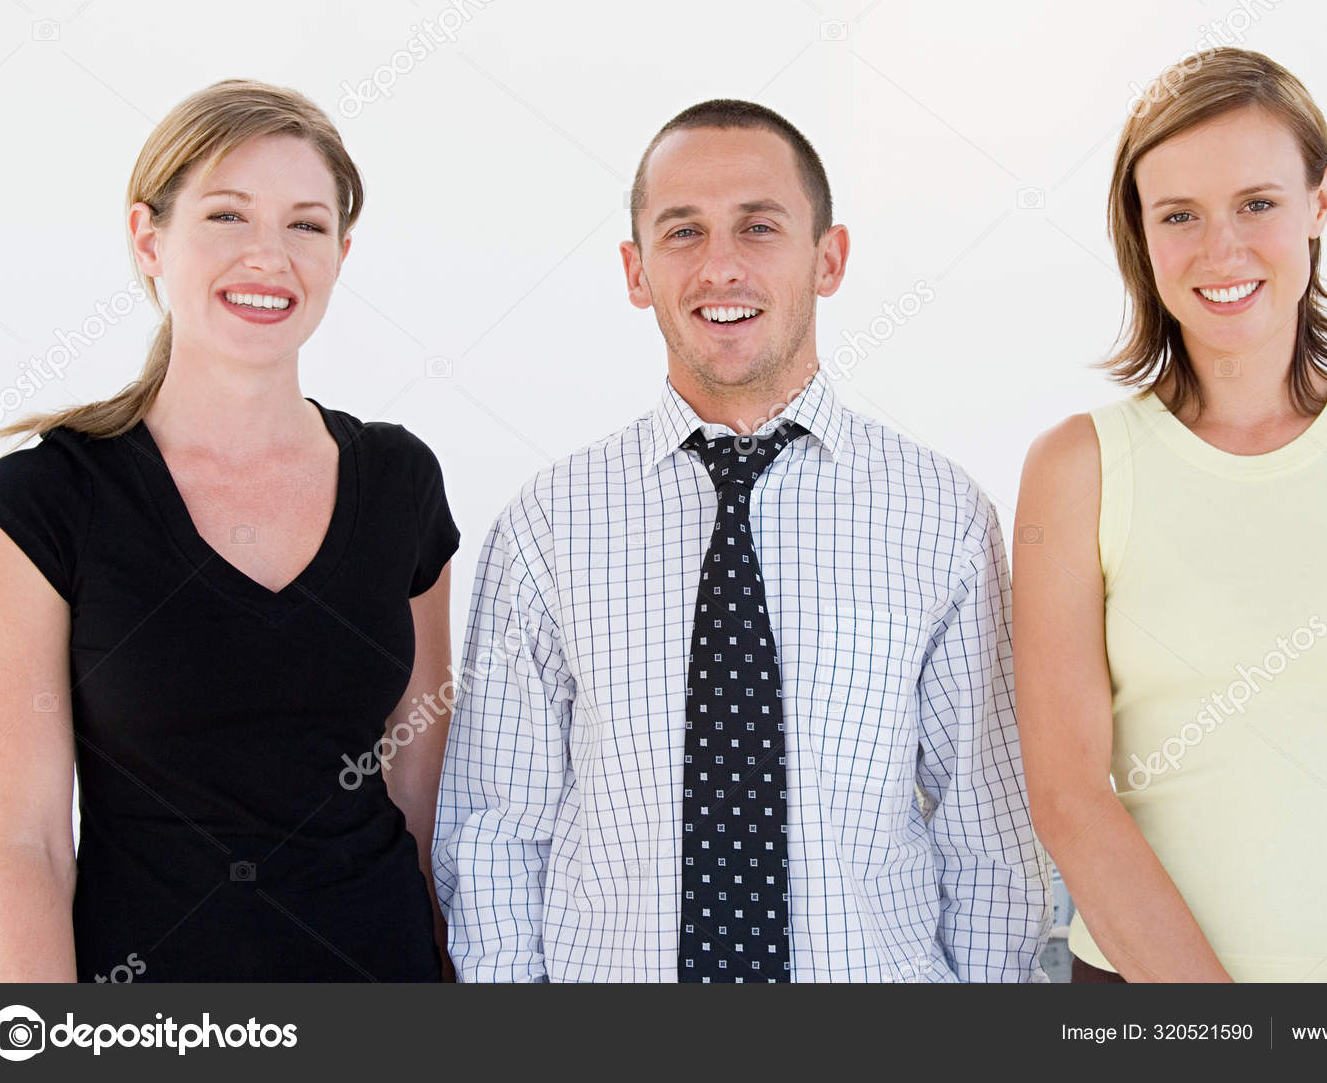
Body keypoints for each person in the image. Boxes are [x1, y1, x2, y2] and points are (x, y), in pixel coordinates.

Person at [434, 98, 1050, 982]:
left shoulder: (942, 515)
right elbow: (496, 832)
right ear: (636, 269)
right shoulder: (549, 524)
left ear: (828, 258)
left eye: (759, 228)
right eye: (683, 232)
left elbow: (988, 833)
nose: (720, 266)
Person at [1012, 48, 1327, 982]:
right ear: (1140, 231)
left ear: (1321, 200)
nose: (1222, 250)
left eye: (1257, 203)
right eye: (1180, 214)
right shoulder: (1075, 470)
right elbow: (1068, 797)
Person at [0, 80, 461, 982]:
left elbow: (419, 791)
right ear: (149, 238)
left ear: (341, 254)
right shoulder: (44, 500)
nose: (269, 255)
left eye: (306, 225)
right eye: (227, 216)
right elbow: (27, 847)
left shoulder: (400, 481)